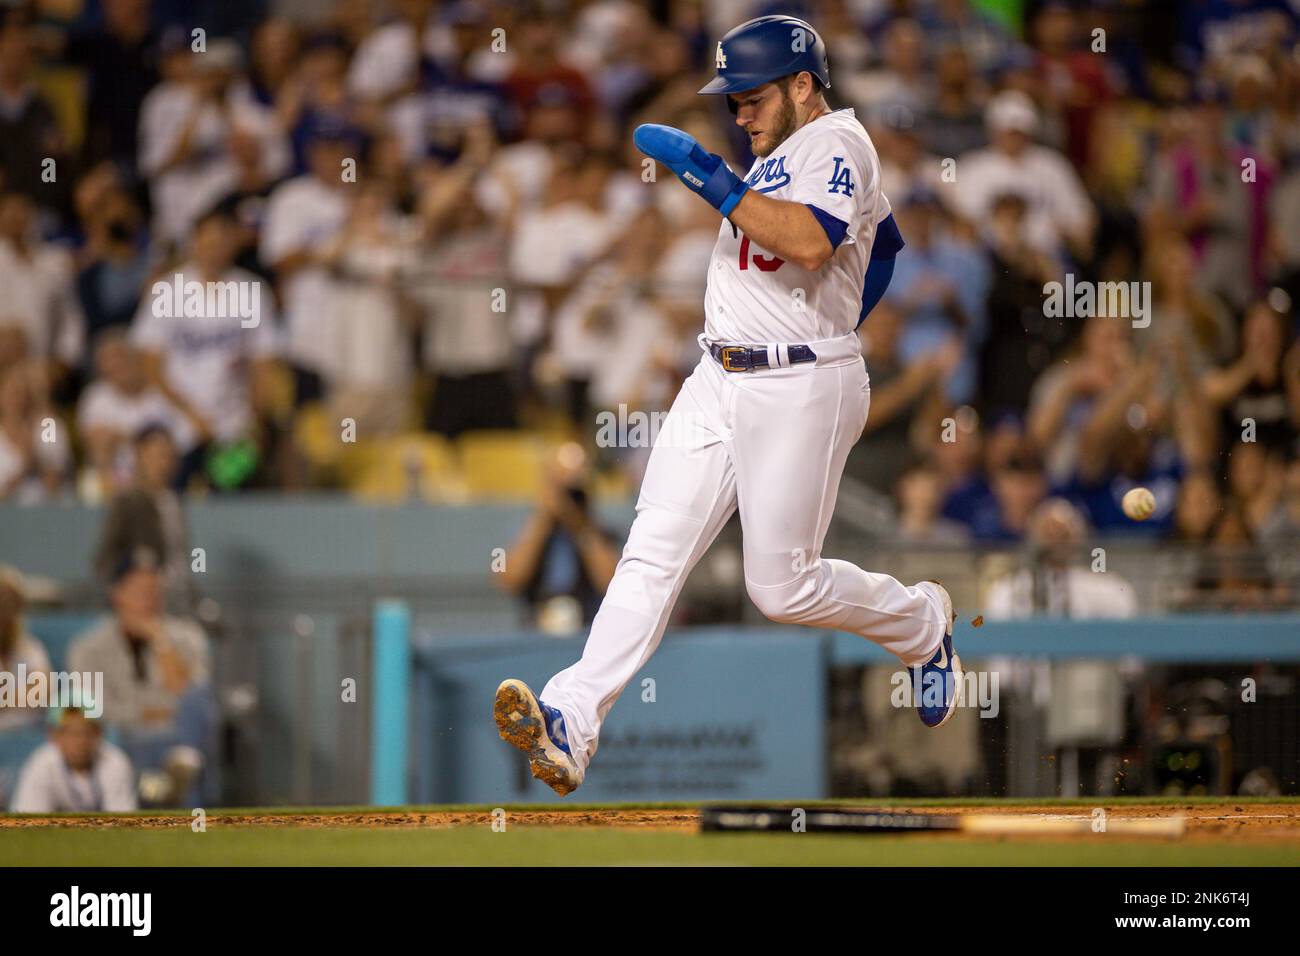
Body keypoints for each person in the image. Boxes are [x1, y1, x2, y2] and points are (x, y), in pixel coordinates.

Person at [492, 17, 958, 797]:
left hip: (800, 384)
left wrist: (712, 177)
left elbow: (811, 244)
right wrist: (842, 301)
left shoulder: (839, 141)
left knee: (782, 590)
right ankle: (571, 719)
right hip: (717, 376)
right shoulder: (779, 156)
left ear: (804, 85)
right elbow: (884, 246)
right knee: (650, 552)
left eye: (750, 98)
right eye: (731, 101)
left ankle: (921, 623)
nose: (738, 114)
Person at [496, 443, 620, 634]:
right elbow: (508, 579)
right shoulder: (523, 530)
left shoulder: (603, 533)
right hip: (535, 631)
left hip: (588, 632)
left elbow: (611, 583)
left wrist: (579, 525)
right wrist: (543, 519)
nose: (567, 497)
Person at [9, 702, 138, 814]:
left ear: (99, 734)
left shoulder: (115, 762)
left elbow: (122, 823)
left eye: (86, 732)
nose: (80, 741)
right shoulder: (41, 764)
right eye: (70, 733)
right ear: (55, 736)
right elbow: (28, 823)